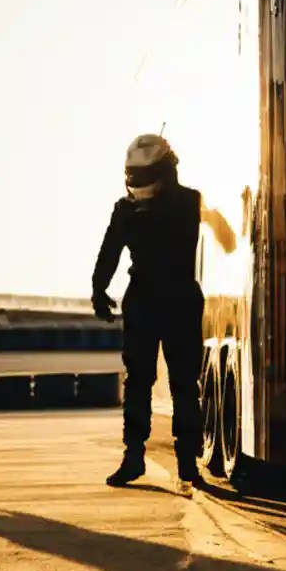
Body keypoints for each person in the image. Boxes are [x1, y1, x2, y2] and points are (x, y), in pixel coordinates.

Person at [91, 133, 236, 495]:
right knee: (147, 384)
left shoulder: (181, 203)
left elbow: (224, 239)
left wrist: (99, 290)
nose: (138, 184)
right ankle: (142, 459)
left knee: (179, 386)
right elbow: (108, 252)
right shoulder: (137, 208)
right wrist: (98, 289)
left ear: (165, 171)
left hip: (170, 300)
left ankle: (184, 464)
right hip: (155, 301)